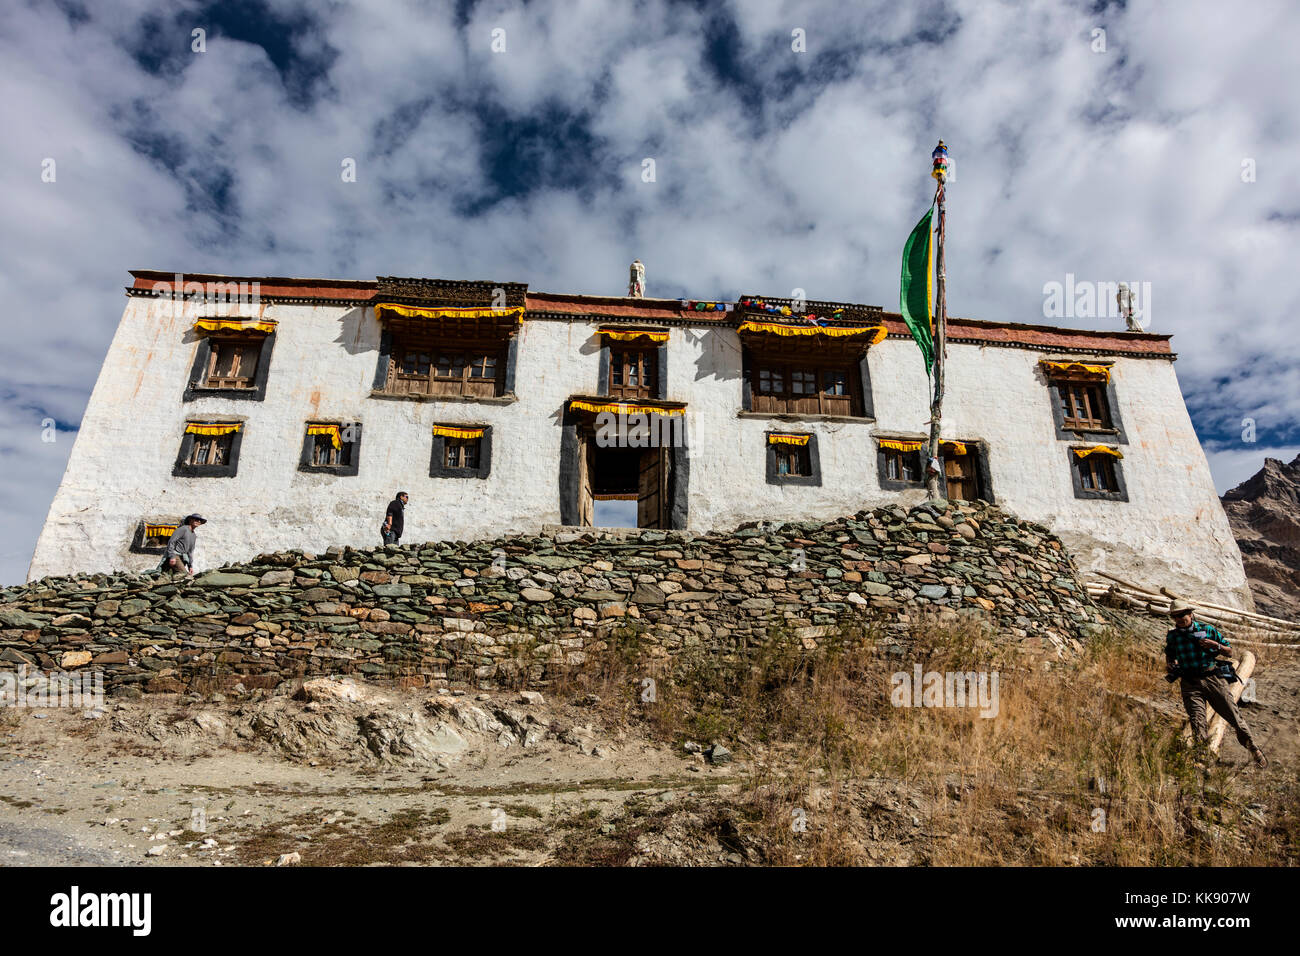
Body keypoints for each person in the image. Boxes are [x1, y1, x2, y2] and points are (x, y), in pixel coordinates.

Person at [1164, 600, 1266, 767]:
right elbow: (1169, 653)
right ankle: (1201, 760)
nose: (1179, 619)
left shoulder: (1207, 629)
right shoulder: (1173, 636)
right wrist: (1170, 663)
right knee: (1198, 721)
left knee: (1233, 716)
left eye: (1182, 615)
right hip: (1189, 682)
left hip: (1212, 678)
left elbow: (1229, 651)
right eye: (1175, 616)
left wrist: (1215, 645)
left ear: (1190, 614)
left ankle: (1253, 748)